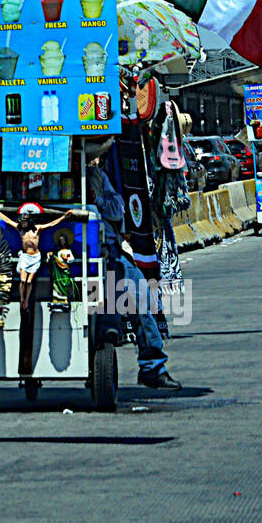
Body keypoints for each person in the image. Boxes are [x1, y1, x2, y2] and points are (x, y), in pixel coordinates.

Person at [87, 152, 181, 391]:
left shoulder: (97, 176)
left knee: (143, 299)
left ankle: (152, 367)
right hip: (76, 254)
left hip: (110, 251)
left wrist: (97, 199)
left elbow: (118, 209)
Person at [0, 202, 80, 309]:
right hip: (25, 256)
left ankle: (26, 300)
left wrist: (64, 216)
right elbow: (7, 221)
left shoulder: (37, 229)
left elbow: (51, 224)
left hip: (35, 257)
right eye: (21, 222)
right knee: (23, 280)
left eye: (24, 222)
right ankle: (22, 299)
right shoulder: (20, 229)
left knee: (28, 281)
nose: (22, 224)